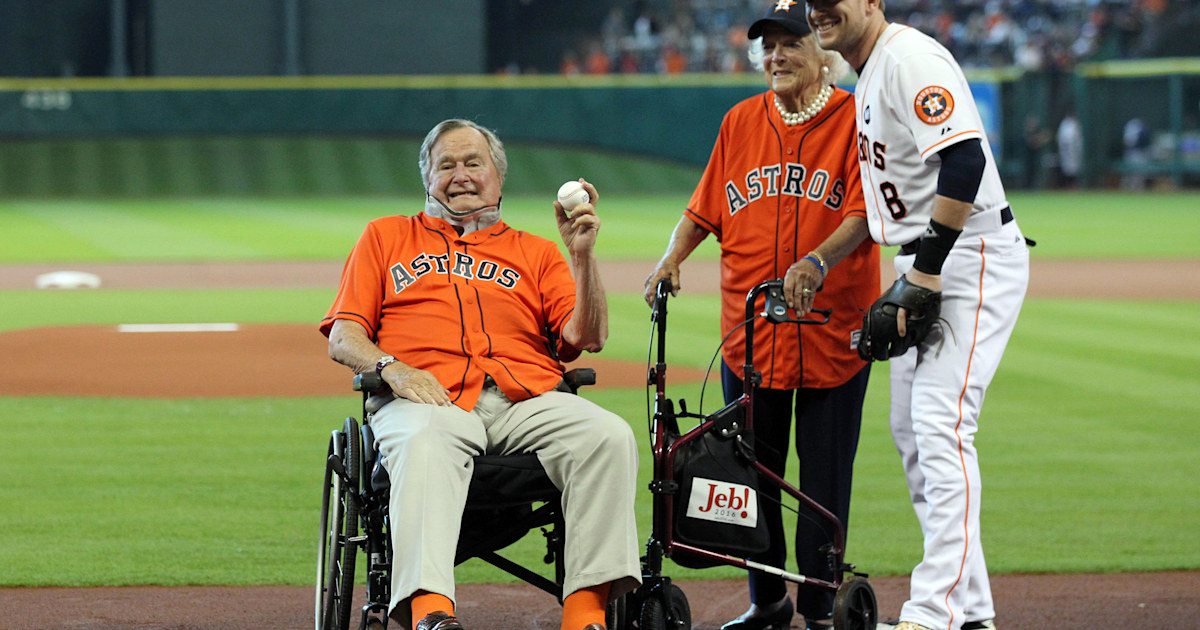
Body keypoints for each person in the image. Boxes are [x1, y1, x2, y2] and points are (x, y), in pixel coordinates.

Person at [320, 119, 640, 630]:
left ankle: (585, 615)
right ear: (427, 176)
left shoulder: (534, 251)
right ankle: (431, 614)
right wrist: (392, 369)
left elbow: (587, 338)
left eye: (474, 163)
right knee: (426, 439)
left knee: (607, 436)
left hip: (525, 399)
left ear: (498, 176)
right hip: (427, 398)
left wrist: (582, 257)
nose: (461, 175)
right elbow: (344, 336)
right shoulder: (385, 236)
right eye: (446, 164)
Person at [643, 3, 880, 629]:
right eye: (768, 47)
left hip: (832, 330)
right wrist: (670, 259)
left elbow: (864, 213)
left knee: (825, 479)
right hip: (750, 335)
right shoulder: (739, 121)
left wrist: (817, 262)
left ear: (822, 53)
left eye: (790, 44)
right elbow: (703, 208)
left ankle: (821, 608)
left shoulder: (857, 119)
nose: (776, 57)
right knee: (752, 481)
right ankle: (768, 603)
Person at [805, 1, 1030, 629]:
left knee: (940, 424)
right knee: (911, 430)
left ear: (873, 1)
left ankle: (934, 611)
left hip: (967, 252)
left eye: (834, 0)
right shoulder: (870, 66)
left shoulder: (907, 58)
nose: (820, 10)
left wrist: (926, 271)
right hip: (929, 256)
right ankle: (974, 612)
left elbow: (965, 161)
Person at [1055, 111, 1082, 188]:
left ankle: (1073, 185)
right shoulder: (1064, 124)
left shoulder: (1075, 124)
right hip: (1066, 151)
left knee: (1074, 168)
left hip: (1074, 151)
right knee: (1067, 168)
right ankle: (1067, 185)